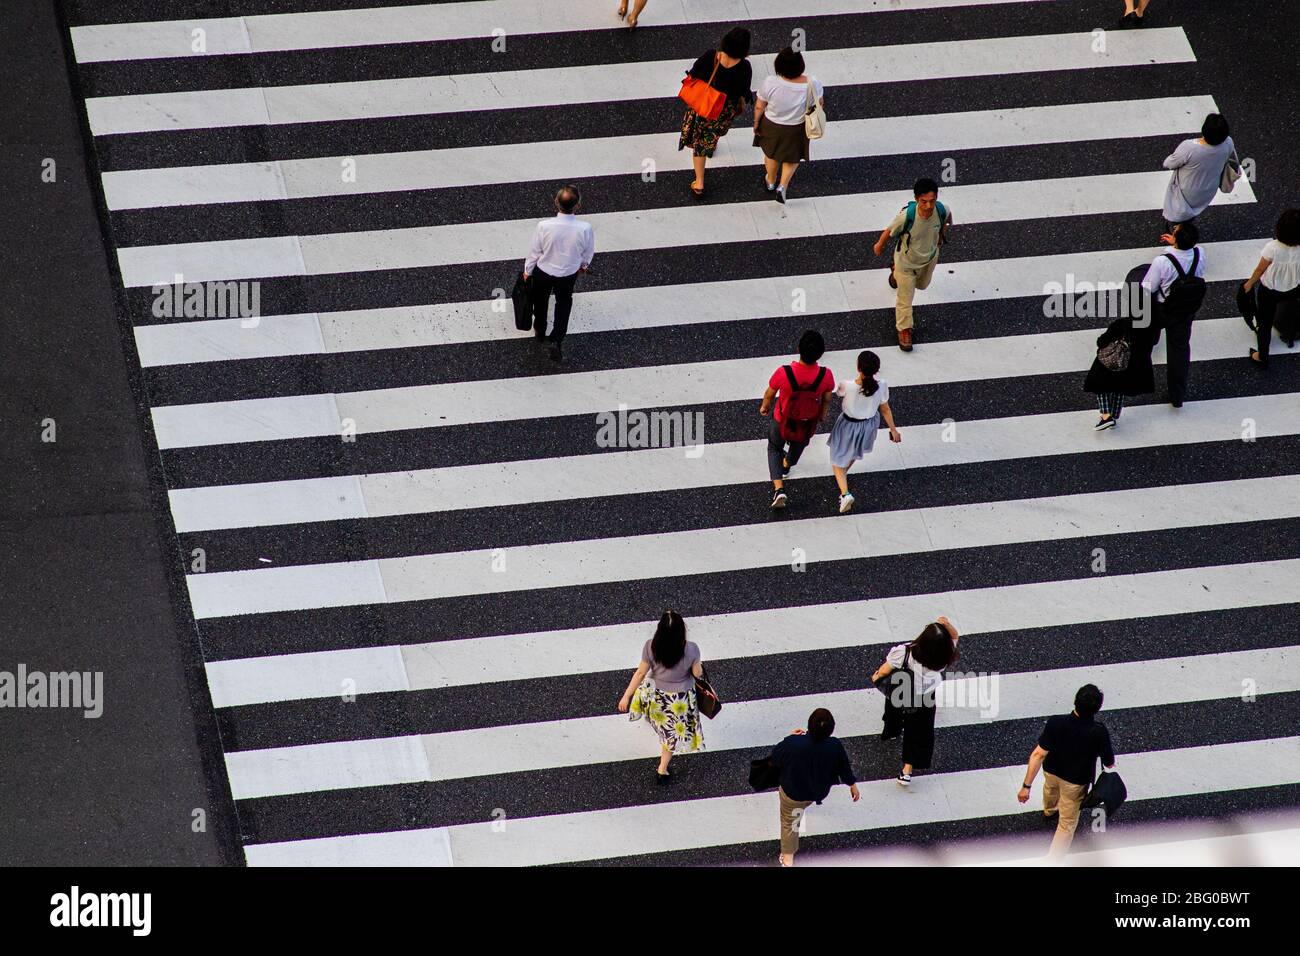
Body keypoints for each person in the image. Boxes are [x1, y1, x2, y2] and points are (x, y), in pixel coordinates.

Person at [1018, 684, 1117, 858]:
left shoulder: (1056, 722)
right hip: (1076, 782)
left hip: (1051, 771)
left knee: (1050, 790)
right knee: (1067, 824)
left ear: (1075, 702)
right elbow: (1109, 762)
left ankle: (1049, 811)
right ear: (1097, 708)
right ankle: (1054, 860)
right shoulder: (1098, 731)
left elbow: (1038, 754)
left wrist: (1026, 786)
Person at [869, 618, 959, 786]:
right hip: (925, 696)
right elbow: (955, 635)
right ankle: (907, 770)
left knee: (893, 710)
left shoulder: (905, 652)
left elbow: (885, 669)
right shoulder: (946, 654)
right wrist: (947, 624)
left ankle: (892, 731)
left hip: (903, 690)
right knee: (918, 731)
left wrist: (877, 676)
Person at [618, 610, 704, 784]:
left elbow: (641, 673)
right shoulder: (691, 648)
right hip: (678, 701)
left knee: (659, 722)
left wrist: (626, 696)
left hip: (657, 696)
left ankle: (656, 725)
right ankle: (662, 770)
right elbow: (697, 673)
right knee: (670, 736)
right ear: (682, 630)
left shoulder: (651, 646)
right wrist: (698, 664)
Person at [769, 708, 859, 867]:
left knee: (789, 824)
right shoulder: (834, 745)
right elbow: (844, 768)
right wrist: (852, 785)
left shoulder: (793, 743)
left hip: (793, 792)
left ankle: (788, 859)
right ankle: (800, 816)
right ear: (831, 729)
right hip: (818, 791)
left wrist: (790, 737)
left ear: (809, 725)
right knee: (798, 811)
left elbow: (775, 757)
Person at [871, 178, 953, 352]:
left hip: (929, 258)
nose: (929, 206)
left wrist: (941, 237)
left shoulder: (941, 210)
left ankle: (895, 274)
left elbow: (947, 219)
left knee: (922, 285)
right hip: (906, 261)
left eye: (932, 201)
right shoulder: (907, 216)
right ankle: (904, 330)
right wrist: (879, 245)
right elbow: (889, 230)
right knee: (905, 298)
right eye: (924, 202)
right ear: (917, 199)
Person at [759, 329, 835, 510]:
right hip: (807, 423)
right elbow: (827, 398)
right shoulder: (826, 375)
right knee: (798, 447)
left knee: (774, 448)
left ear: (798, 348)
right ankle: (788, 464)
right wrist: (823, 414)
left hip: (782, 420)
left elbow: (769, 394)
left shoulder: (784, 372)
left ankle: (779, 489)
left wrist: (765, 406)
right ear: (821, 354)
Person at [1082, 266, 1161, 430]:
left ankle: (1105, 415)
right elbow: (1153, 341)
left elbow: (1101, 341)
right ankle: (1115, 415)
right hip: (1135, 364)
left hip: (1117, 360)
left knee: (1100, 385)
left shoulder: (1122, 324)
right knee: (1120, 388)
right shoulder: (1153, 325)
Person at [523, 185, 595, 362]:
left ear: (556, 202)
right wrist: (584, 266)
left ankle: (540, 330)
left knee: (540, 301)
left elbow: (535, 251)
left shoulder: (544, 226)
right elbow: (588, 251)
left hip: (544, 271)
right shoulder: (584, 228)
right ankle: (556, 340)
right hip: (568, 272)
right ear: (577, 205)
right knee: (563, 304)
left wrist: (527, 270)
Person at [679, 28, 752, 198]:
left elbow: (694, 72)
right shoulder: (744, 67)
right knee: (712, 134)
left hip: (704, 106)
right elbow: (744, 91)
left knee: (700, 144)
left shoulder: (711, 56)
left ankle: (699, 183)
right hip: (723, 111)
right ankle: (712, 140)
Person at [1141, 221, 1205, 407]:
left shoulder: (1162, 261)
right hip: (1186, 309)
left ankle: (1148, 341)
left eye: (1174, 231)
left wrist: (1171, 249)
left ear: (1175, 239)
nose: (1172, 230)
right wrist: (1176, 244)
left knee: (1147, 332)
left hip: (1164, 308)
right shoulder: (1200, 254)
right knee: (1179, 350)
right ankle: (1177, 396)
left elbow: (1148, 287)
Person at [828, 350, 900, 514]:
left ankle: (845, 494)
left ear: (858, 367)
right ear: (876, 369)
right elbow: (886, 409)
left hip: (848, 425)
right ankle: (843, 477)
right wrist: (893, 430)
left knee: (836, 458)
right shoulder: (882, 385)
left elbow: (838, 393)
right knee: (854, 453)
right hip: (868, 425)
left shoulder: (847, 385)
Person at [752, 47, 824, 204]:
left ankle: (771, 181)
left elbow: (759, 106)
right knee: (792, 157)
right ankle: (782, 187)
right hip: (797, 127)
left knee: (771, 154)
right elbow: (819, 104)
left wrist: (756, 122)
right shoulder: (812, 83)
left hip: (772, 124)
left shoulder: (771, 82)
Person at [1161, 113, 1235, 230]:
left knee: (1177, 214)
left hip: (1186, 190)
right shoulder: (1228, 143)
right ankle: (1186, 230)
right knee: (1193, 212)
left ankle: (1177, 235)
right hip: (1209, 188)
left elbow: (1168, 163)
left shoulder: (1189, 147)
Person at [1246, 208, 1300, 368]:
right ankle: (1290, 331)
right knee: (1292, 308)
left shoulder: (1273, 247)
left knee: (1264, 323)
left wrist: (1249, 284)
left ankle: (1262, 356)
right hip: (1294, 287)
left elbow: (1260, 269)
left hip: (1269, 290)